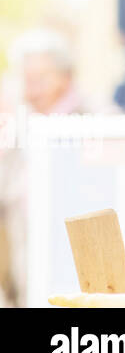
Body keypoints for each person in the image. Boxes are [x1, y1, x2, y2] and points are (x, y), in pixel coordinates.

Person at [1, 28, 85, 307]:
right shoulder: (19, 126)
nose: (30, 88)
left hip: (74, 264)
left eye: (39, 79)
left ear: (65, 77)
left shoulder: (95, 119)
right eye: (26, 79)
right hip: (25, 268)